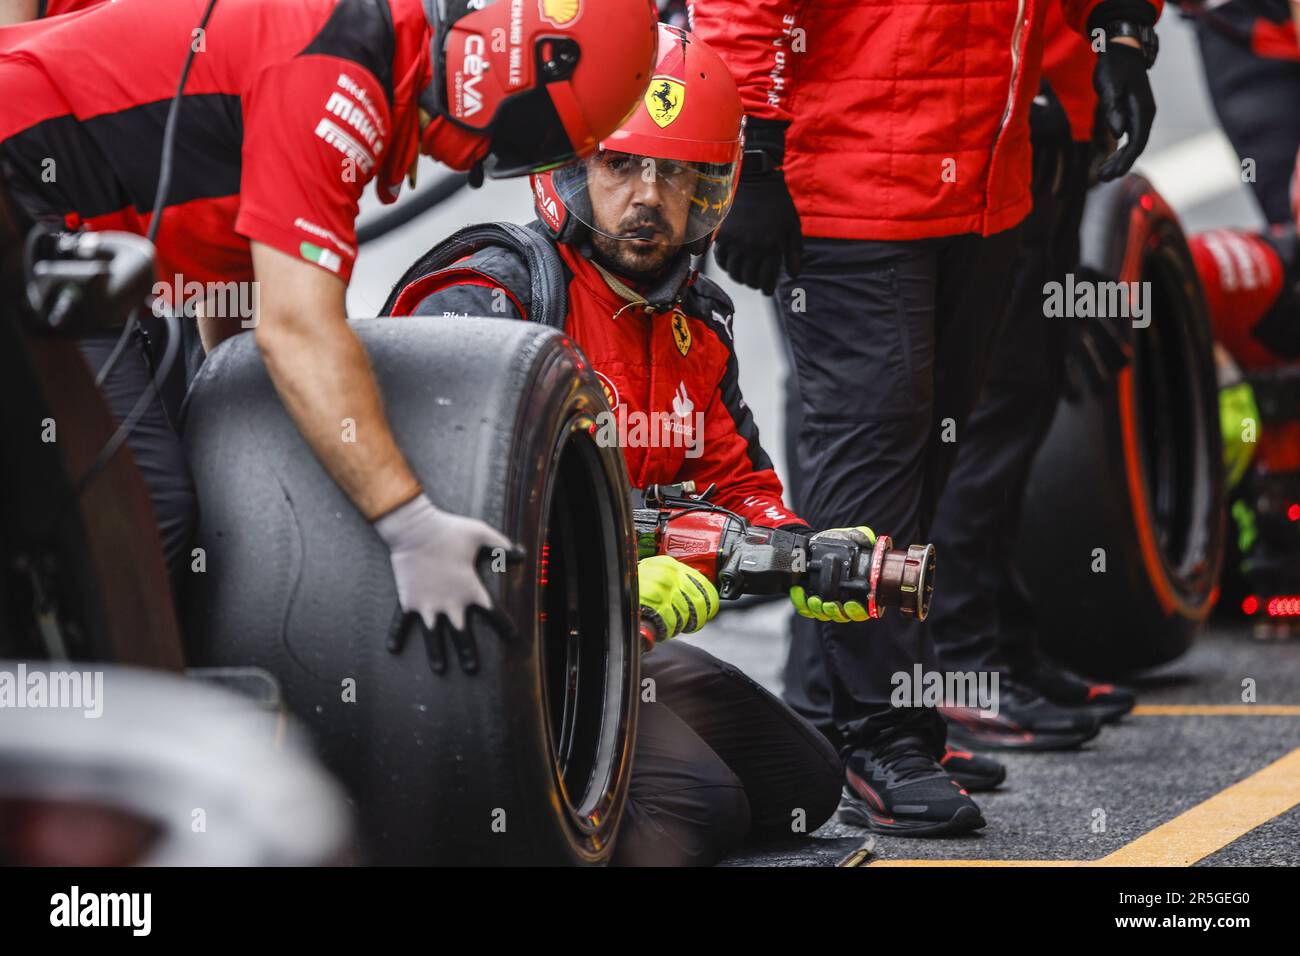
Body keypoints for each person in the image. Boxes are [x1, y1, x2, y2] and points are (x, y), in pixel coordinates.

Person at [385, 24, 928, 863]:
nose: (647, 196)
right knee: (696, 812)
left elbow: (735, 485)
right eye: (621, 165)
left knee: (801, 788)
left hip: (596, 647)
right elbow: (423, 523)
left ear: (712, 187)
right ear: (570, 169)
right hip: (470, 662)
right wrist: (607, 578)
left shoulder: (697, 323)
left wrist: (801, 553)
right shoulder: (490, 298)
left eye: (675, 172)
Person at [0, 0, 660, 647]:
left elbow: (245, 292)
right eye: (527, 134)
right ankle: (89, 736)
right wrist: (411, 526)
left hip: (54, 216)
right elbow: (297, 331)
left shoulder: (360, 45)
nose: (489, 160)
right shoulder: (339, 70)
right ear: (517, 60)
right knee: (137, 517)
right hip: (24, 197)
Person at [693, 0, 1162, 833]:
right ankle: (880, 735)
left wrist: (1120, 30)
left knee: (928, 459)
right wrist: (751, 152)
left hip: (985, 182)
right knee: (871, 460)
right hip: (848, 187)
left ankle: (847, 708)